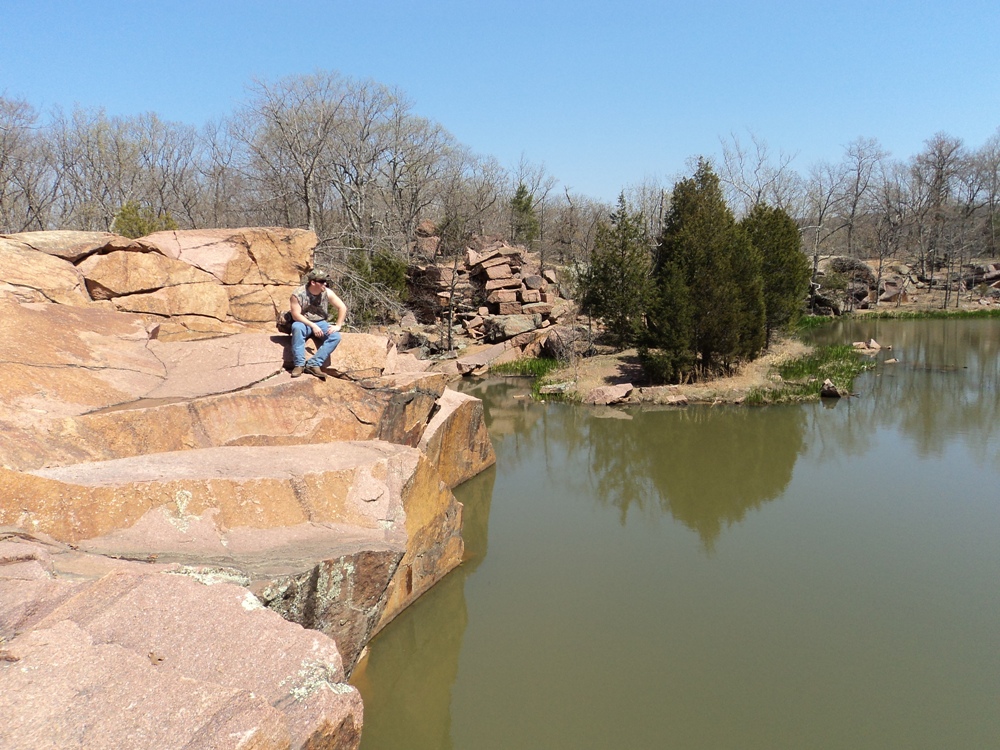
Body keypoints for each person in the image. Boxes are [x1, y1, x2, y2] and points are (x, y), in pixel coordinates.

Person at [288, 269, 348, 380]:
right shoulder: (297, 294)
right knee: (296, 327)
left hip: (321, 322)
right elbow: (296, 315)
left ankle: (313, 364)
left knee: (335, 337)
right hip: (303, 322)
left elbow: (342, 307)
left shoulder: (327, 292)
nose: (324, 283)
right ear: (313, 282)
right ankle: (299, 364)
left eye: (325, 281)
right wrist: (313, 326)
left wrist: (338, 325)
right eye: (322, 281)